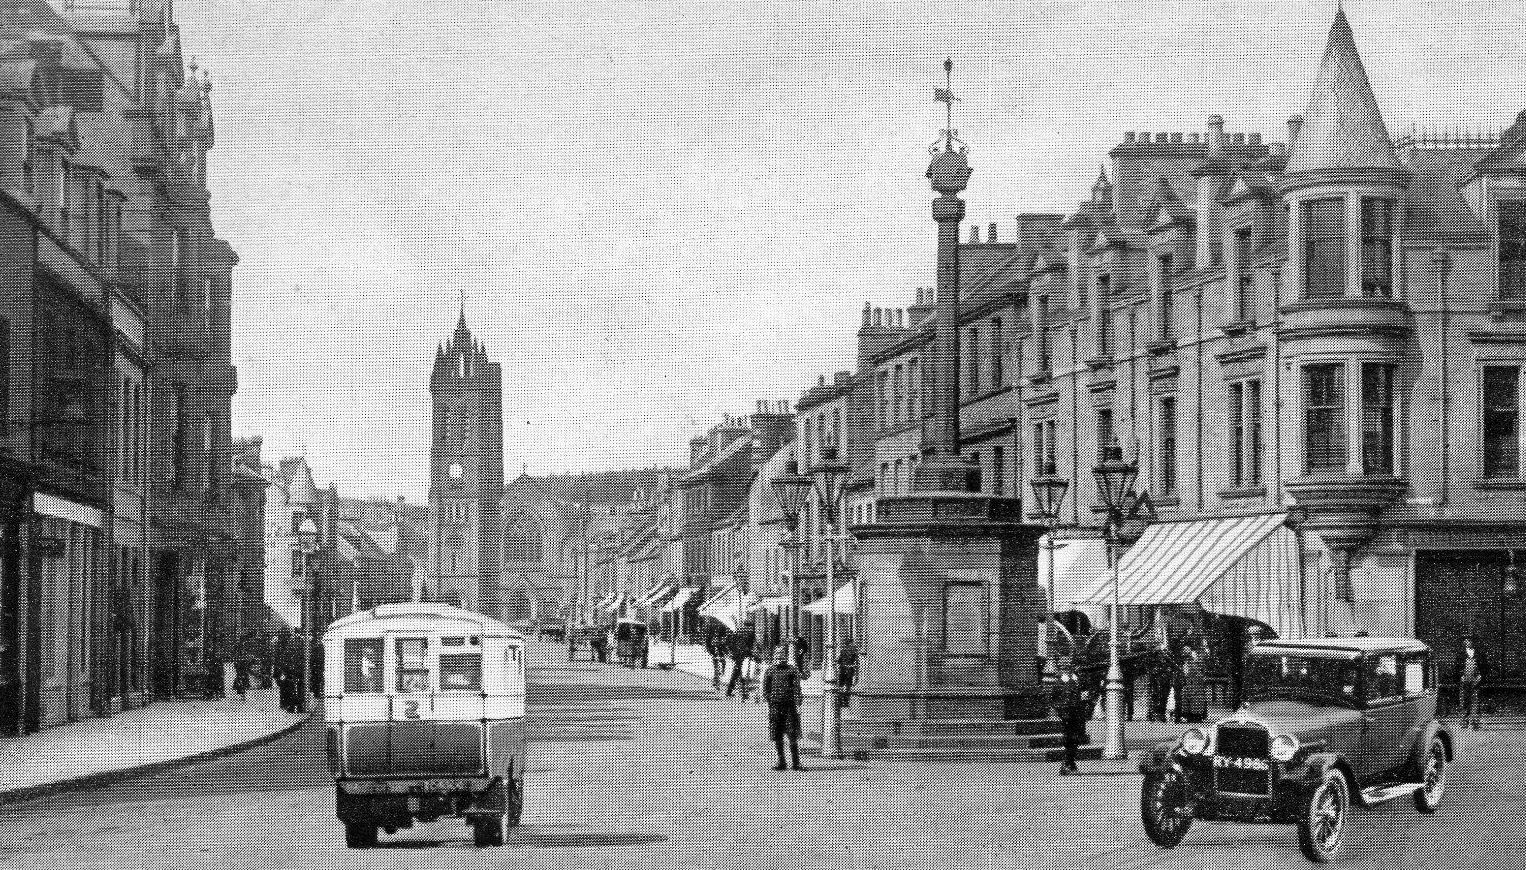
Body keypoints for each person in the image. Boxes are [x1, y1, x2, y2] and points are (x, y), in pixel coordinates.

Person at [762, 647, 804, 771]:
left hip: (789, 707)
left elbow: (797, 688)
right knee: (777, 735)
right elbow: (765, 689)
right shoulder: (770, 671)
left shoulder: (792, 670)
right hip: (775, 707)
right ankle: (781, 762)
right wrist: (770, 701)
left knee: (792, 734)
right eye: (777, 656)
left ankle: (796, 763)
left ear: (786, 657)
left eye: (782, 656)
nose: (780, 659)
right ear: (774, 657)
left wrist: (798, 703)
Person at [1050, 657, 1091, 775]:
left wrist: (1085, 702)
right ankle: (1067, 763)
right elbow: (1053, 698)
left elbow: (1085, 693)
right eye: (1064, 665)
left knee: (1077, 737)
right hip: (1067, 714)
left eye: (1069, 665)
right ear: (1061, 667)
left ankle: (1070, 762)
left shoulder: (1077, 678)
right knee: (1069, 738)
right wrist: (1061, 710)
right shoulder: (1058, 680)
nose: (1067, 667)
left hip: (1078, 712)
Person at [1457, 634, 1488, 730]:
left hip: (1476, 681)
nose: (1467, 642)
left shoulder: (1479, 654)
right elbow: (1456, 667)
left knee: (1475, 701)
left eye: (1469, 640)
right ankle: (1464, 721)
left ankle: (1475, 722)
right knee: (1464, 701)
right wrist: (1461, 676)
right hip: (1464, 681)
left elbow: (1484, 667)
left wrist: (1480, 677)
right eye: (1465, 640)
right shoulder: (1460, 655)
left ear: (1472, 642)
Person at [1178, 642, 1208, 724]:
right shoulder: (1187, 663)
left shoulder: (1196, 660)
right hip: (1190, 684)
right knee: (1187, 698)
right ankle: (1189, 716)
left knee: (1196, 699)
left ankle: (1196, 716)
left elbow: (1199, 673)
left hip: (1195, 684)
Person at [1146, 643, 1176, 722]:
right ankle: (1153, 715)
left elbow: (1172, 667)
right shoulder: (1153, 659)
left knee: (1162, 698)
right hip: (1157, 681)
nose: (1162, 654)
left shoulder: (1167, 658)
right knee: (1156, 697)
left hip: (1163, 681)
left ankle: (1159, 715)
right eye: (1161, 652)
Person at [725, 625, 753, 697]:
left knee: (737, 673)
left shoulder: (739, 632)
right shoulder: (746, 634)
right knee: (737, 673)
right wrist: (750, 653)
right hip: (739, 656)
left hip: (738, 655)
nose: (750, 629)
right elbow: (744, 647)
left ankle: (732, 692)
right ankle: (741, 692)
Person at [835, 637, 859, 709]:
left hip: (842, 669)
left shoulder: (843, 650)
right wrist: (857, 674)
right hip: (849, 670)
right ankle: (845, 701)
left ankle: (840, 700)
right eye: (853, 643)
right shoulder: (854, 651)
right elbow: (857, 662)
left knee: (841, 685)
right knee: (848, 686)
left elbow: (838, 661)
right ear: (851, 643)